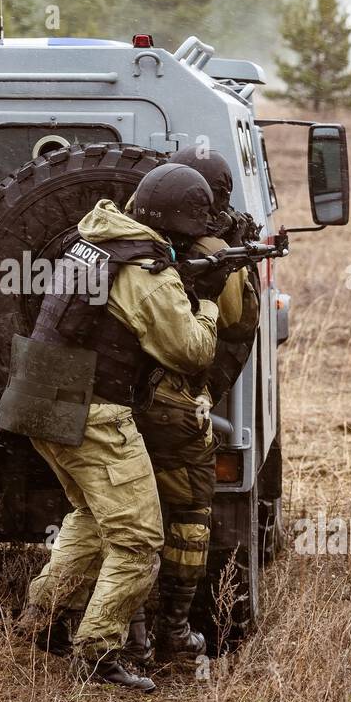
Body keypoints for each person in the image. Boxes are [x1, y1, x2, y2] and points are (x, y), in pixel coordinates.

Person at [8, 164, 222, 691]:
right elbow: (190, 351)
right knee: (138, 541)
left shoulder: (92, 240)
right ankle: (97, 653)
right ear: (174, 227)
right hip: (95, 411)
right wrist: (209, 302)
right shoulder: (146, 271)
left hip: (39, 398)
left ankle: (43, 621)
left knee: (87, 515)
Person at [134, 145, 260, 664]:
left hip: (115, 400)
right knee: (187, 518)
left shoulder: (124, 240)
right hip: (178, 405)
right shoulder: (212, 254)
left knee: (122, 522)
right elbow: (231, 326)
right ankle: (174, 629)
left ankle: (129, 631)